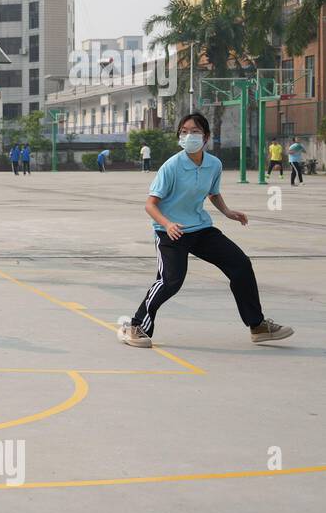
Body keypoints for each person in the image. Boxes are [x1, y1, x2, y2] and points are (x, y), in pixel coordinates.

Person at [118, 112, 294, 349]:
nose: (188, 136)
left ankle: (258, 326)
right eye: (184, 132)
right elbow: (150, 204)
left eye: (194, 131)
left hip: (200, 229)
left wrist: (227, 212)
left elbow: (213, 192)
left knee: (240, 264)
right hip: (170, 232)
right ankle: (136, 325)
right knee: (170, 281)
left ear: (206, 137)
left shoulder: (214, 164)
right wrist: (168, 224)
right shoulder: (172, 166)